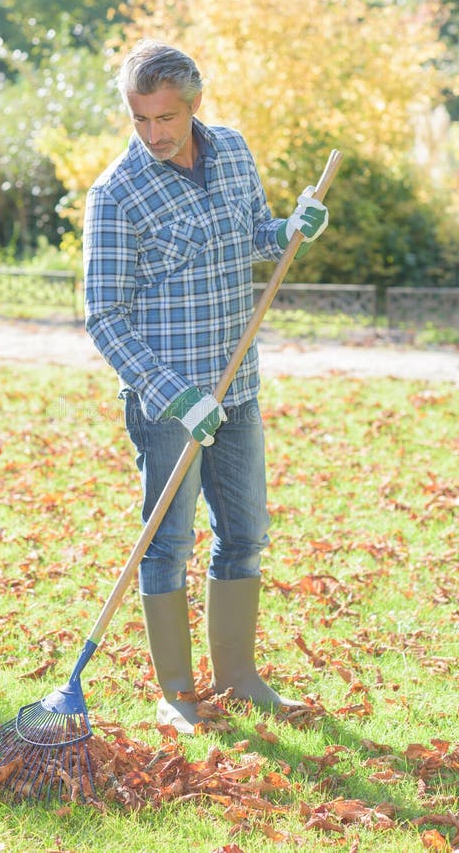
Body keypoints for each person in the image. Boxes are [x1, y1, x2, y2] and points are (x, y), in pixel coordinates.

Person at [83, 40, 328, 733]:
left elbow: (254, 235)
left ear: (193, 105)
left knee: (245, 533)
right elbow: (103, 317)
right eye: (139, 119)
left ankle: (239, 678)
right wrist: (174, 395)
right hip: (171, 404)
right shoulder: (117, 193)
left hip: (238, 385)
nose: (154, 133)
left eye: (165, 117)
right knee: (167, 544)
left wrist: (292, 228)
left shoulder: (231, 152)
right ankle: (177, 693)